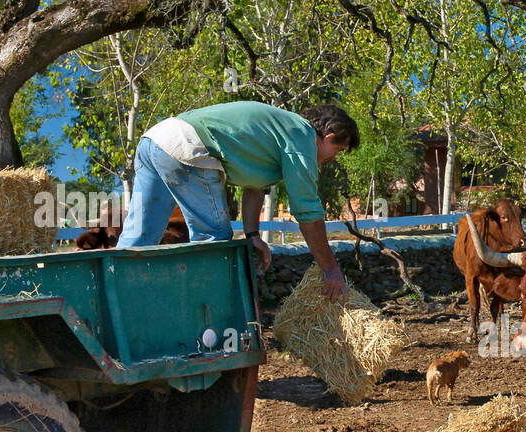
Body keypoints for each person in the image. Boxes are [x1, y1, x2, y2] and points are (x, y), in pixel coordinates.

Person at [116, 100, 360, 302]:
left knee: (139, 238)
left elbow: (254, 189)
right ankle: (208, 323)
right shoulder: (303, 135)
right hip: (187, 147)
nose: (332, 159)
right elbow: (307, 211)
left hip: (154, 141)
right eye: (337, 151)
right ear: (327, 137)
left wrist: (253, 235)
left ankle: (118, 305)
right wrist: (331, 269)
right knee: (214, 243)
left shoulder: (280, 131)